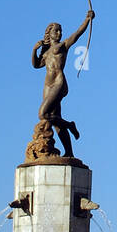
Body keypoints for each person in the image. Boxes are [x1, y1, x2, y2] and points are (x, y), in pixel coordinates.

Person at [31, 11, 94, 156]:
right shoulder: (46, 53)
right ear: (49, 33)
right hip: (48, 84)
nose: (59, 33)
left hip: (59, 82)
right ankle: (69, 152)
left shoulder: (63, 46)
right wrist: (35, 50)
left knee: (43, 114)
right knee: (55, 120)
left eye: (60, 31)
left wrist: (87, 20)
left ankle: (70, 125)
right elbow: (35, 65)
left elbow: (77, 34)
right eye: (56, 31)